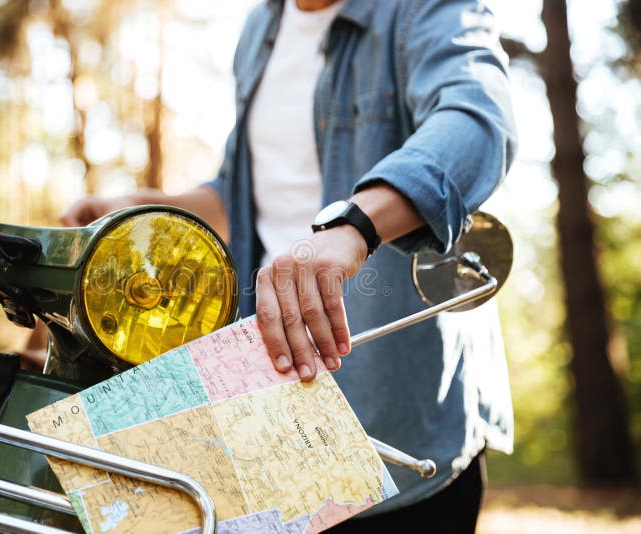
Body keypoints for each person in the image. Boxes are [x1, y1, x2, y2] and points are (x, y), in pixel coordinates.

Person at [62, 0, 516, 531]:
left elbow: (478, 120)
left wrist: (355, 226)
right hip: (278, 409)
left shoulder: (423, 9)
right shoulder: (261, 28)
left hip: (400, 419)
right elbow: (244, 192)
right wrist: (144, 210)